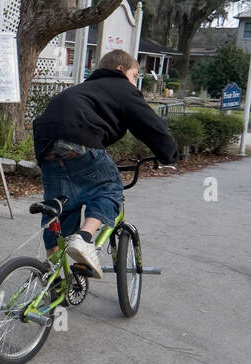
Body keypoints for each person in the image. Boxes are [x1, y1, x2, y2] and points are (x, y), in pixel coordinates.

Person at [31, 50, 179, 278]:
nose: (134, 81)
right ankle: (84, 238)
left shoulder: (84, 89)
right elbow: (150, 125)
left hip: (46, 147)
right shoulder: (122, 88)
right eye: (134, 74)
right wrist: (170, 154)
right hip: (78, 141)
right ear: (120, 70)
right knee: (109, 188)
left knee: (60, 209)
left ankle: (55, 278)